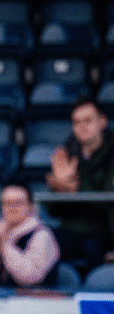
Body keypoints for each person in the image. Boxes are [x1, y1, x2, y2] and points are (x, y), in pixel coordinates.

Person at [46, 100, 114, 271]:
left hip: (105, 231)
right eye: (77, 122)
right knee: (43, 241)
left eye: (88, 120)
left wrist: (75, 188)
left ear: (102, 122)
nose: (82, 126)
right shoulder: (66, 155)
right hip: (72, 229)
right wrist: (57, 188)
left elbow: (109, 199)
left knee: (94, 248)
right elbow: (53, 211)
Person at [0, 185, 61, 288]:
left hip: (38, 300)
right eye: (7, 203)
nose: (12, 207)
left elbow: (30, 278)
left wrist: (5, 244)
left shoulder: (42, 235)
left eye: (18, 203)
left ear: (31, 206)